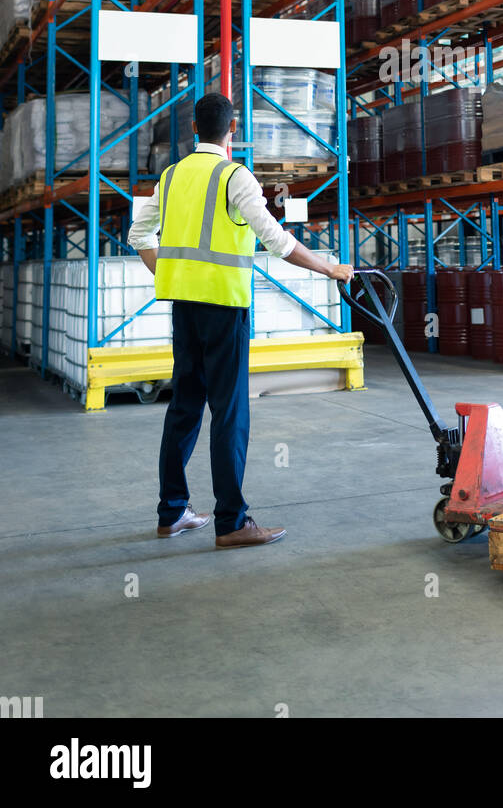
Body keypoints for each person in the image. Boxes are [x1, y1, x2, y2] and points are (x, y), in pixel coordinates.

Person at [128, 91, 354, 550]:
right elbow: (276, 240)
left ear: (194, 128)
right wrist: (330, 268)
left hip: (183, 308)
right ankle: (231, 522)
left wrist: (170, 273)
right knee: (229, 411)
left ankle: (171, 513)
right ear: (233, 130)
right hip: (224, 311)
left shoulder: (170, 177)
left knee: (184, 407)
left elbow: (138, 234)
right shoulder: (235, 176)